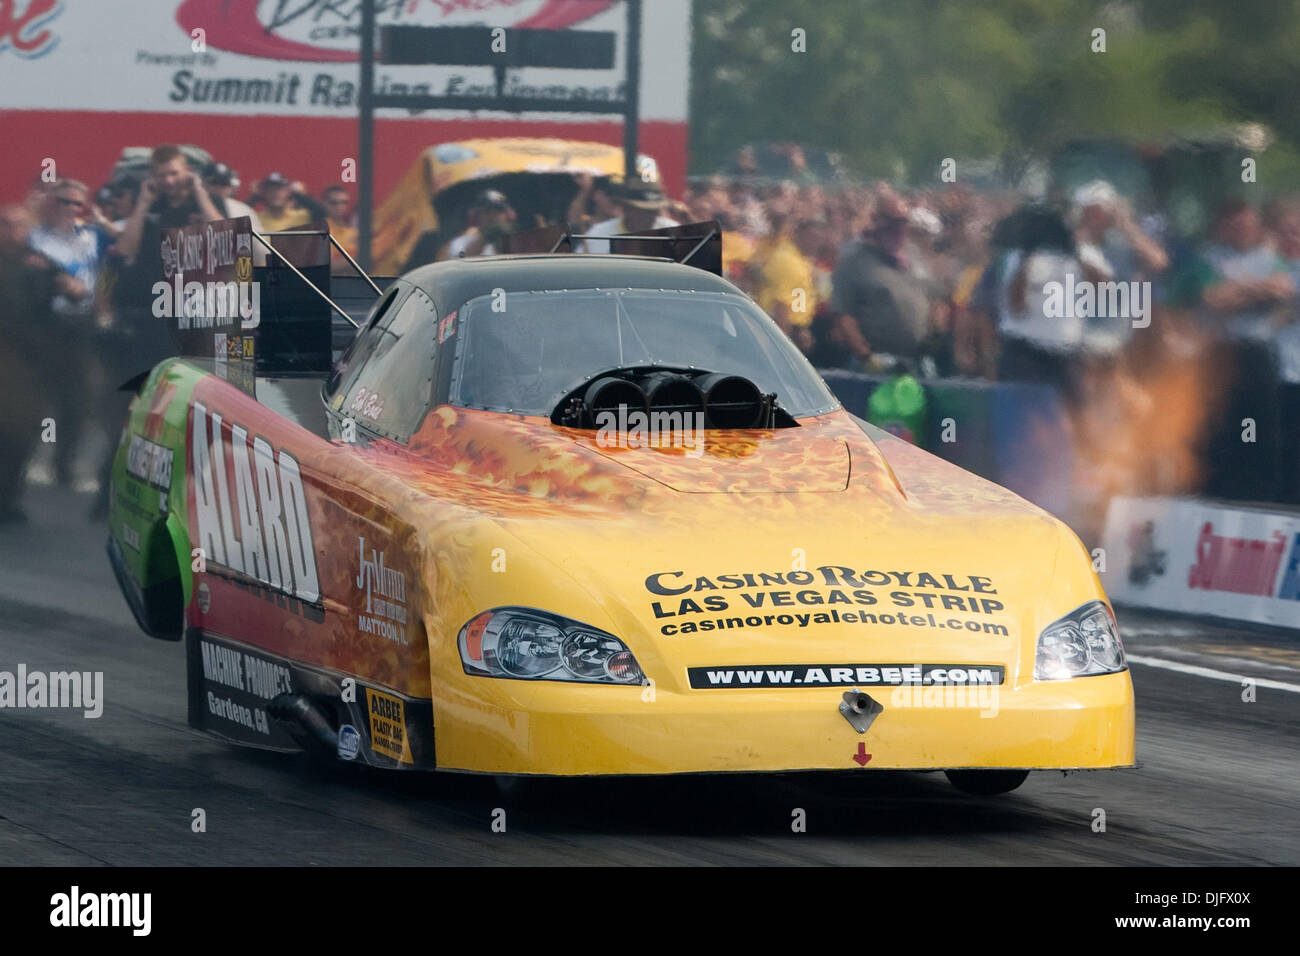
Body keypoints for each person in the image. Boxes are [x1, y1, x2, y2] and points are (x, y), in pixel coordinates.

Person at [0, 204, 86, 522]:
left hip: (31, 362)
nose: (12, 232)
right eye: (6, 225)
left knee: (21, 434)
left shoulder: (38, 261)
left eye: (18, 225)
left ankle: (8, 499)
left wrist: (72, 287)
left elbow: (74, 289)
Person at [27, 179, 110, 490]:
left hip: (80, 325)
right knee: (34, 395)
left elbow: (111, 264)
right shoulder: (34, 238)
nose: (71, 209)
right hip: (44, 323)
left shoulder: (91, 237)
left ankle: (64, 464)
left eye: (78, 203)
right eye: (65, 201)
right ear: (52, 203)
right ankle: (29, 461)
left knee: (78, 399)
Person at [829, 188, 930, 369]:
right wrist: (866, 356)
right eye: (892, 222)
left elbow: (930, 295)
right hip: (876, 364)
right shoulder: (853, 262)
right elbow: (844, 314)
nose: (899, 229)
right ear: (876, 220)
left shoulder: (913, 255)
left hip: (917, 363)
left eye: (903, 222)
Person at [577, 182, 680, 253]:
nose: (651, 216)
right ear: (627, 209)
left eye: (654, 210)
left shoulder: (673, 233)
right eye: (645, 211)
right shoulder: (598, 235)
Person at [445, 190, 515, 258]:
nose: (492, 217)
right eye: (487, 212)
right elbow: (461, 257)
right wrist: (485, 239)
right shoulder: (460, 243)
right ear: (477, 217)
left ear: (508, 215)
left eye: (498, 212)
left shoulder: (517, 241)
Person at [322, 185, 359, 272]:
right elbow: (327, 266)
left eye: (344, 202)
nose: (340, 206)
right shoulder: (320, 230)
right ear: (324, 204)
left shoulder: (354, 233)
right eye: (334, 203)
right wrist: (358, 259)